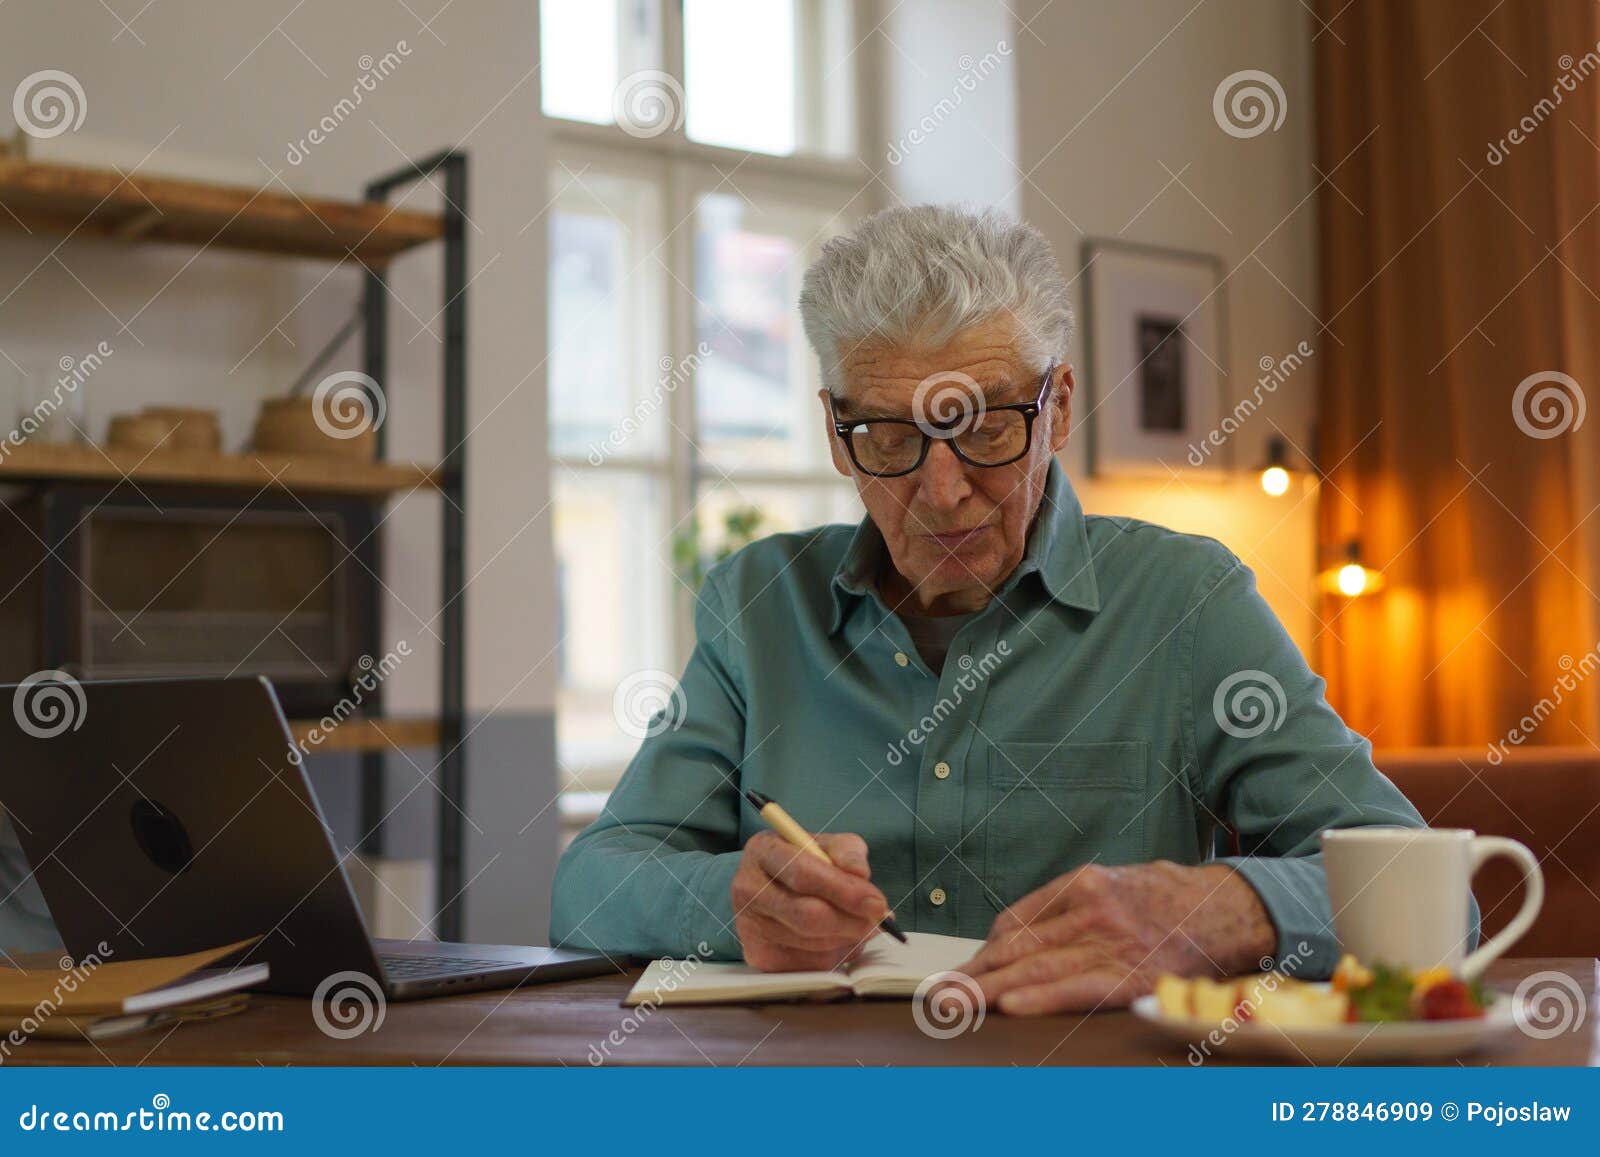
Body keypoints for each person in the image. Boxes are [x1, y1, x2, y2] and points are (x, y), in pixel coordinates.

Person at [551, 204, 1439, 1015]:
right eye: (892, 438)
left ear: (1055, 409)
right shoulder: (758, 606)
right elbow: (587, 887)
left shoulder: (1186, 603)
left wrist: (1215, 908)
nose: (943, 492)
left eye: (983, 430)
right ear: (834, 432)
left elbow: (1431, 896)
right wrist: (731, 905)